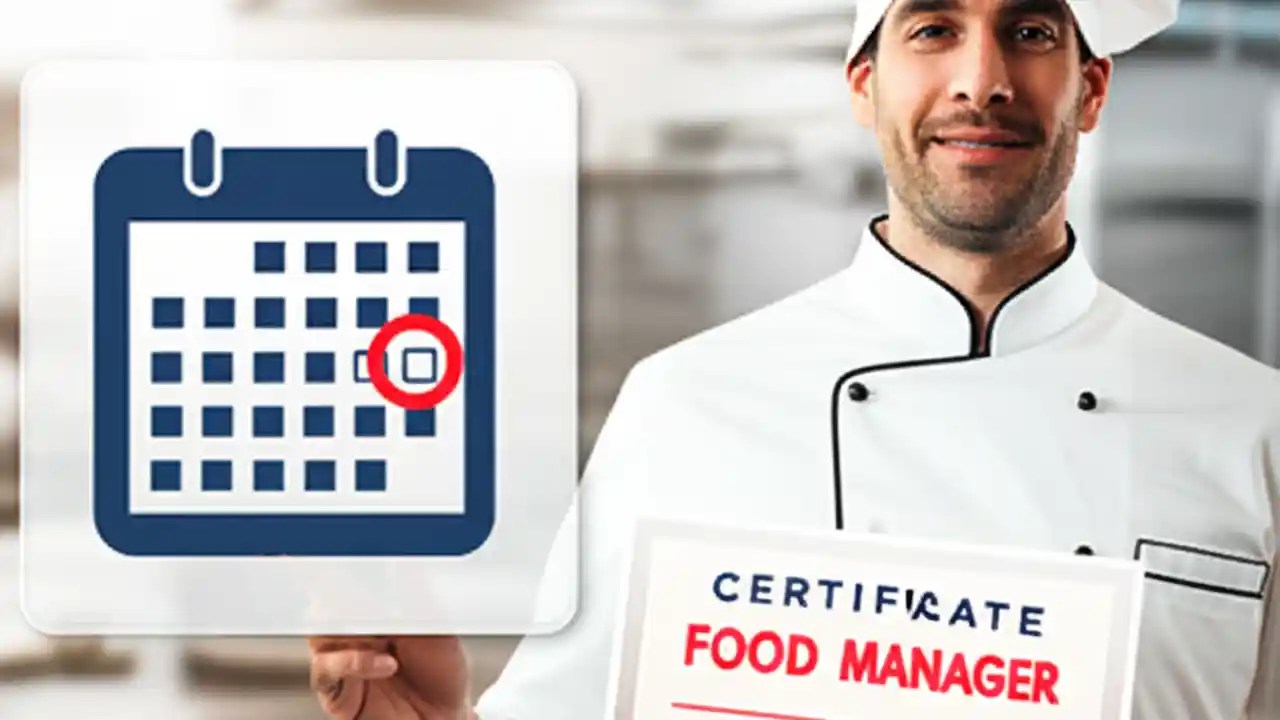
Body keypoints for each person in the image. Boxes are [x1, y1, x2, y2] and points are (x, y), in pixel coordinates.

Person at [310, 0, 1279, 717]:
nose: (978, 79)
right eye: (932, 26)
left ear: (1091, 87)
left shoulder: (1251, 430)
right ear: (863, 86)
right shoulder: (683, 406)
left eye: (1028, 31)